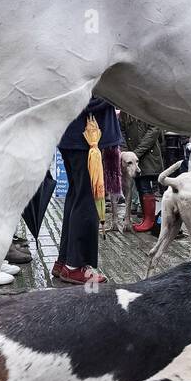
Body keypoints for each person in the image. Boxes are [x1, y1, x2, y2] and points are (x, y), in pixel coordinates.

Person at [53, 97, 119, 284]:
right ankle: (76, 265)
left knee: (77, 195)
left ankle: (65, 260)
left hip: (76, 134)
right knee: (87, 198)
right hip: (87, 136)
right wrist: (112, 94)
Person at [119, 110, 165, 233]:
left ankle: (150, 220)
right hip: (133, 156)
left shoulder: (147, 109)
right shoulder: (125, 112)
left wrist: (135, 153)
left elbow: (154, 131)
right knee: (141, 186)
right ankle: (147, 219)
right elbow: (121, 132)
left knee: (147, 187)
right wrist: (124, 153)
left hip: (147, 155)